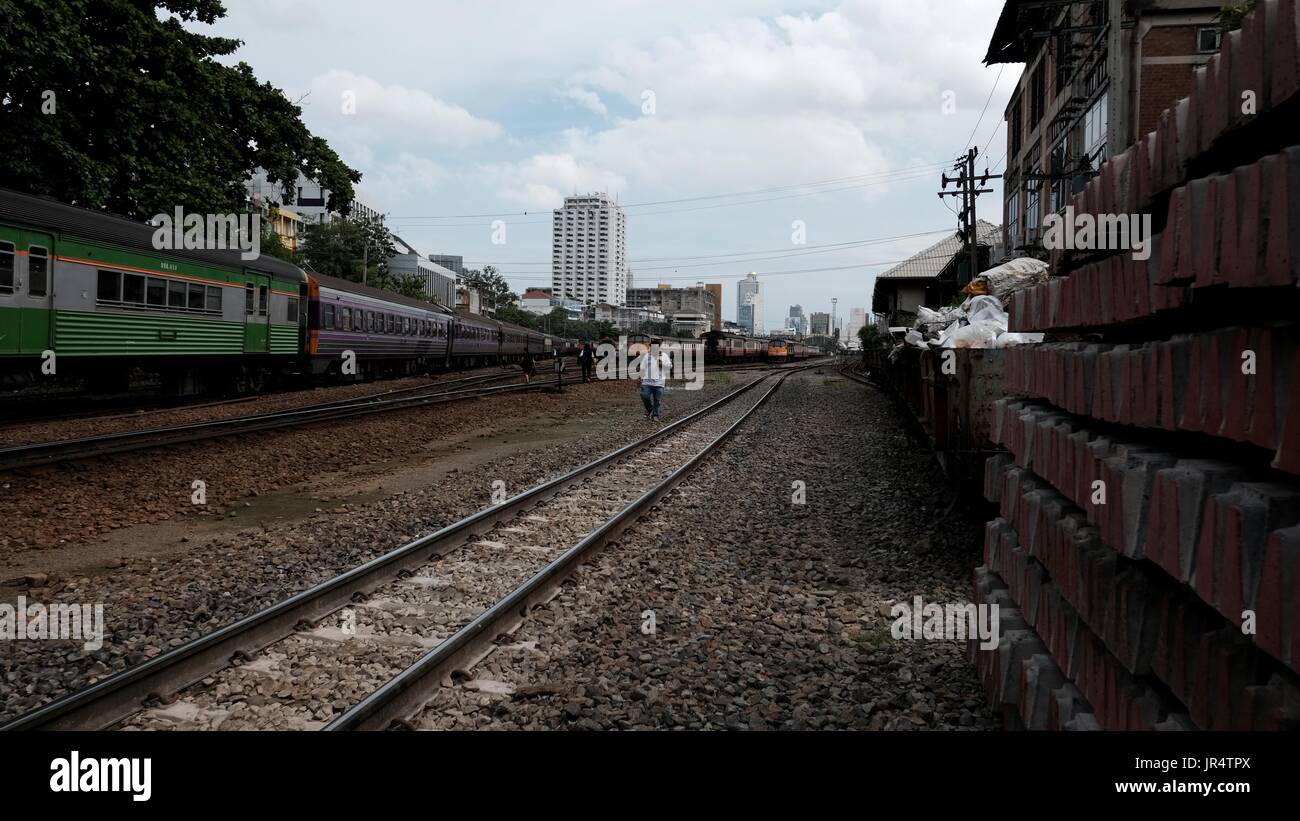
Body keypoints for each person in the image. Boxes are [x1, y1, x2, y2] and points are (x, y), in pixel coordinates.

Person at [638, 339, 673, 422]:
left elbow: (670, 367)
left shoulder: (663, 356)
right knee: (644, 396)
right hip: (647, 381)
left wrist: (662, 365)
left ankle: (655, 415)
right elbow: (642, 368)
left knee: (657, 400)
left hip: (659, 382)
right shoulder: (646, 356)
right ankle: (650, 409)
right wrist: (640, 378)